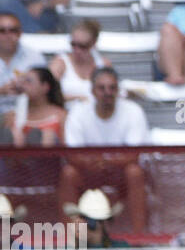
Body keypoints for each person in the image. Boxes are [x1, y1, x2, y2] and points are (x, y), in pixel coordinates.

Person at [59, 66, 148, 229]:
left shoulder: (133, 111)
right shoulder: (78, 112)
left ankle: (138, 235)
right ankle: (70, 234)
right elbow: (72, 154)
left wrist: (104, 161)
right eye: (102, 88)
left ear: (118, 90)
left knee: (135, 172)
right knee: (68, 173)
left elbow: (134, 154)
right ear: (92, 91)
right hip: (87, 172)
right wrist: (95, 162)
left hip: (120, 174)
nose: (107, 92)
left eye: (112, 88)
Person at [0, 12, 43, 144]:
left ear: (20, 33)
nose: (7, 35)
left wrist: (26, 90)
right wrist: (0, 91)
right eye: (2, 30)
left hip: (29, 111)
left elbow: (46, 93)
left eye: (12, 30)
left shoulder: (35, 58)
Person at [2, 63, 64, 146]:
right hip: (19, 157)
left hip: (49, 157)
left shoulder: (60, 115)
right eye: (22, 81)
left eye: (28, 81)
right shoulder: (12, 116)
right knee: (15, 133)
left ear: (45, 87)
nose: (23, 85)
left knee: (48, 135)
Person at [48, 18, 103, 105]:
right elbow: (47, 94)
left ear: (93, 43)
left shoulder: (102, 64)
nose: (77, 50)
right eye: (73, 44)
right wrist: (76, 98)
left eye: (83, 46)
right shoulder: (60, 63)